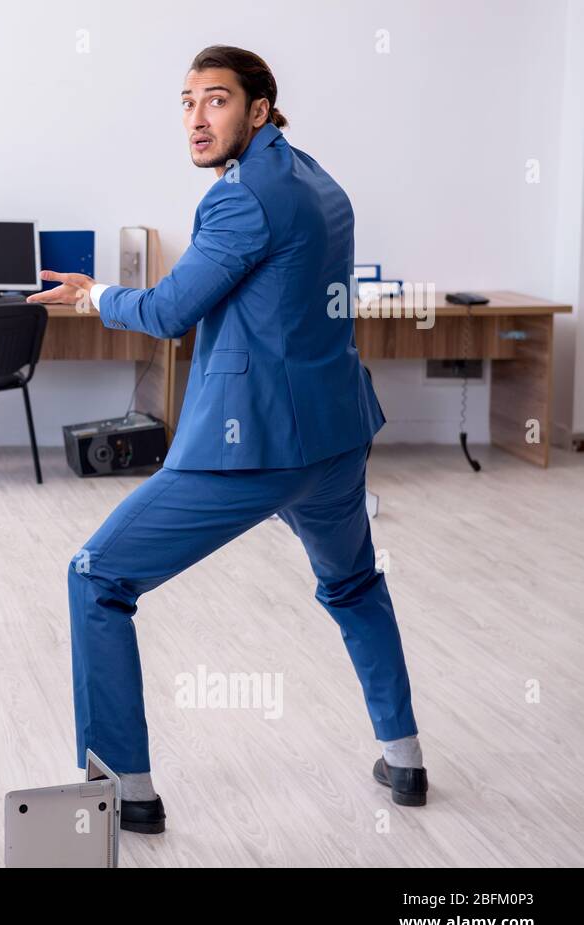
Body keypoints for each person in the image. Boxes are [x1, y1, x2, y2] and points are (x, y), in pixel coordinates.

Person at [29, 45, 427, 834]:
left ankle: (125, 790)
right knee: (353, 586)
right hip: (337, 440)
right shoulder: (319, 180)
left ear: (258, 108)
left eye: (216, 100)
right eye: (185, 102)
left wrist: (94, 295)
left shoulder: (242, 198)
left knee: (95, 577)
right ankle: (406, 758)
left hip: (255, 449)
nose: (196, 117)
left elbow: (172, 312)